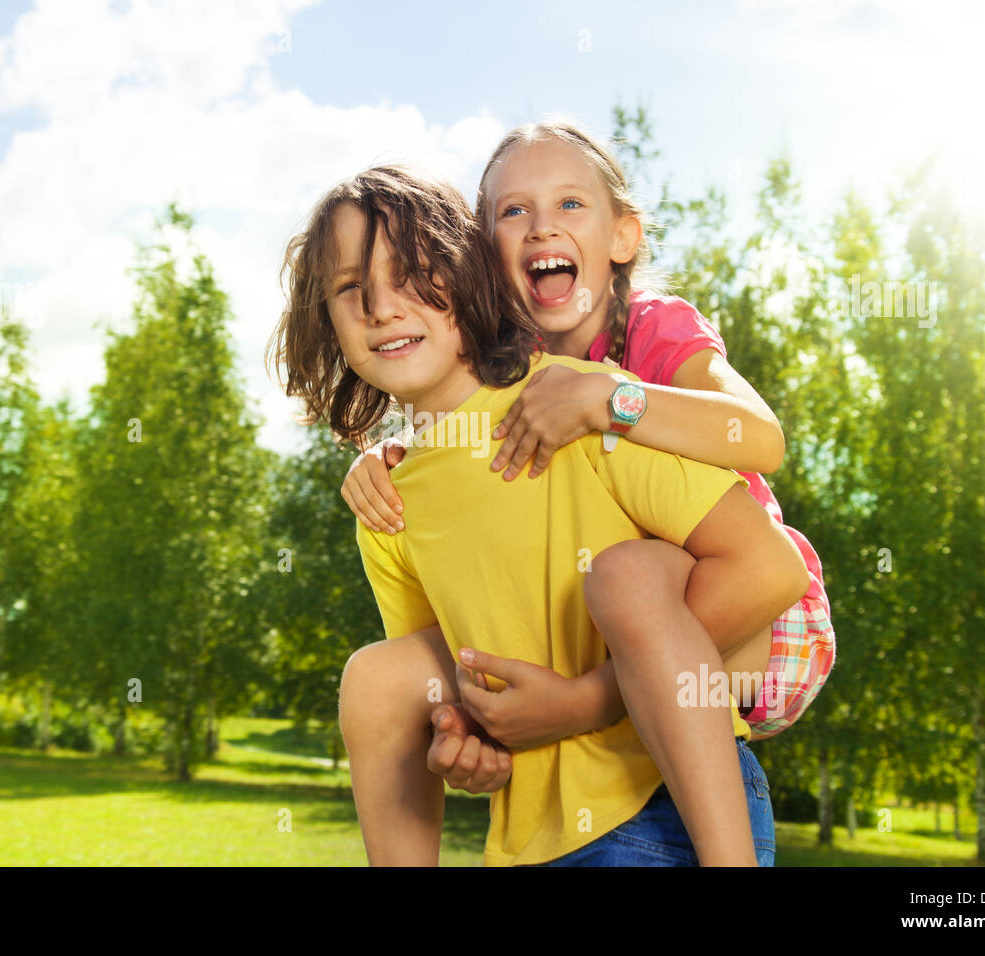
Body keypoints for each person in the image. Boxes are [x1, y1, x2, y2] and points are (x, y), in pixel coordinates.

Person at [268, 164, 810, 866]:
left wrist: (590, 699)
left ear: (469, 276)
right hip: (529, 842)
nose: (381, 306)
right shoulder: (388, 498)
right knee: (375, 677)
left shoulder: (577, 403)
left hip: (670, 808)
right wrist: (463, 743)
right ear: (329, 322)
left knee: (626, 576)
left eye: (409, 275)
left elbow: (770, 567)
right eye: (350, 289)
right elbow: (457, 697)